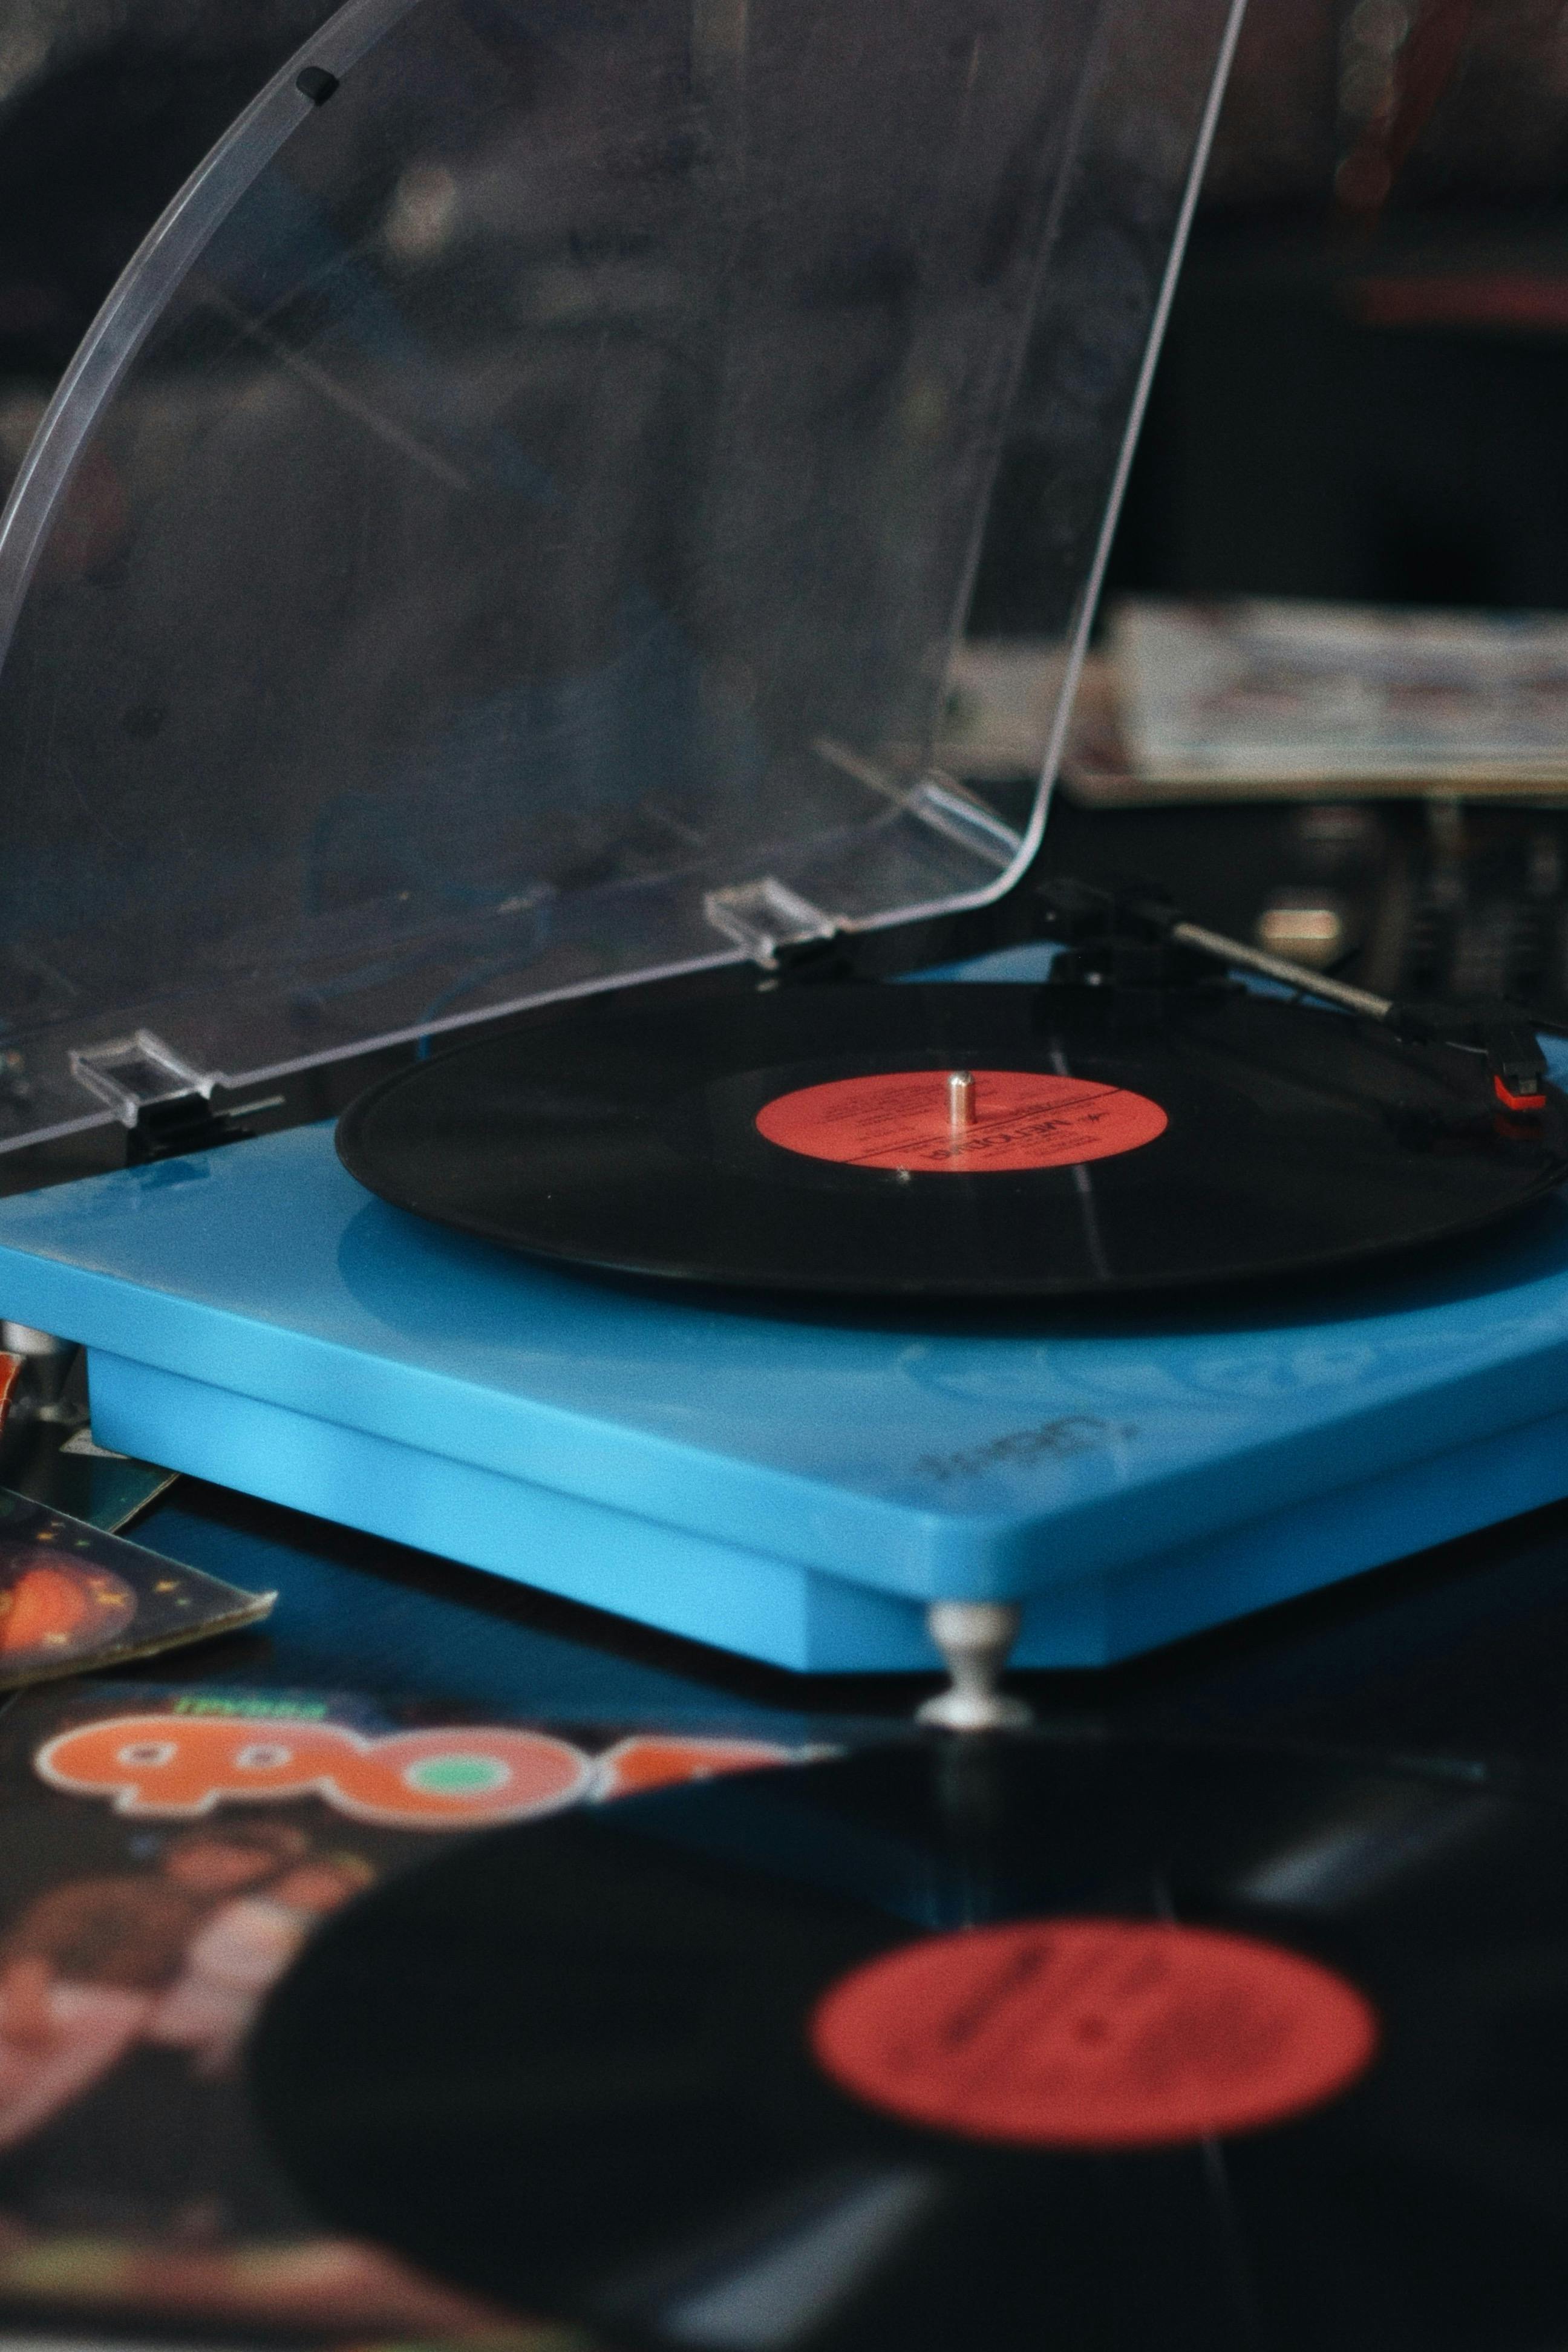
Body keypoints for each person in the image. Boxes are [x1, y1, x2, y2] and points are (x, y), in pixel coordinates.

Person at [0, 1820, 308, 2155]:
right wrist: (26, 1998)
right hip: (57, 1995)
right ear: (178, 1856)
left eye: (246, 1863)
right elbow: (38, 1943)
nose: (222, 1868)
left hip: (125, 2017)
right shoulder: (111, 1891)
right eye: (214, 1856)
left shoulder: (230, 1918)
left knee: (29, 2111)